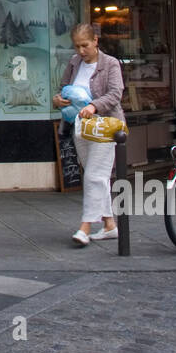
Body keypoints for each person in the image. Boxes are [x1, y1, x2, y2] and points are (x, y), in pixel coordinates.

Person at [52, 22, 126, 245]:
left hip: (106, 127)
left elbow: (115, 93)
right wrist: (58, 100)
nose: (81, 51)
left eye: (84, 45)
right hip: (81, 127)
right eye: (76, 46)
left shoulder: (110, 64)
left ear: (95, 41)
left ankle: (84, 227)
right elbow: (64, 86)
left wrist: (94, 106)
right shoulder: (74, 63)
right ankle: (109, 225)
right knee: (97, 177)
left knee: (94, 176)